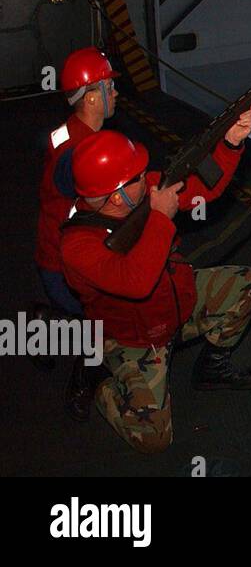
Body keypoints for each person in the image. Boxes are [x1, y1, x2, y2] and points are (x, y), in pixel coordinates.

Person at [60, 114, 251, 454]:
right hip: (134, 338)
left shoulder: (138, 195)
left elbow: (203, 189)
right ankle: (97, 382)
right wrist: (159, 217)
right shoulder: (77, 246)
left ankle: (211, 367)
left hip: (177, 303)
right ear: (114, 197)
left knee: (248, 284)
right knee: (153, 439)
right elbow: (136, 282)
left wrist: (230, 143)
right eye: (138, 176)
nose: (148, 178)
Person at [33, 47, 119, 418]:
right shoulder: (80, 153)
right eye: (110, 88)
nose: (116, 94)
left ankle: (45, 323)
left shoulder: (68, 135)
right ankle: (82, 385)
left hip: (53, 254)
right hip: (66, 266)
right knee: (109, 319)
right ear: (92, 96)